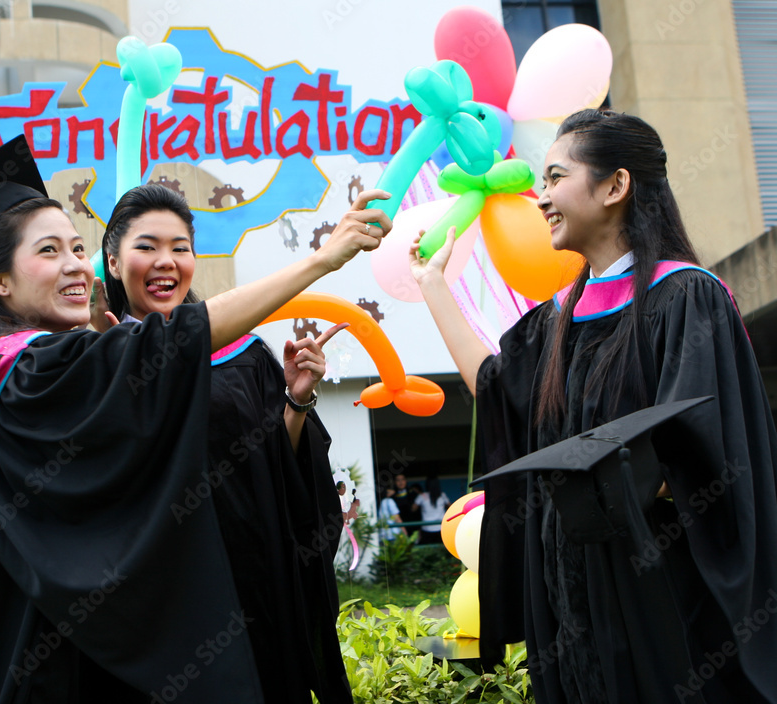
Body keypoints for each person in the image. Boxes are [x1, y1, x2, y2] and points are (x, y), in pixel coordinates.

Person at [0, 135, 391, 704]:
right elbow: (175, 342)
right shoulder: (29, 367)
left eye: (75, 248)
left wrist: (291, 405)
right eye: (48, 252)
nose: (74, 266)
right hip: (9, 646)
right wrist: (321, 259)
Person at [409, 109, 777, 702]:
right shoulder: (559, 319)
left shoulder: (687, 297)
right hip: (569, 595)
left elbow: (704, 446)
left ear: (615, 186)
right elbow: (496, 389)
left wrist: (615, 486)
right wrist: (433, 285)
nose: (540, 198)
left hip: (655, 590)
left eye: (555, 178)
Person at [94, 183, 384, 703]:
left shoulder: (243, 355)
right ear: (113, 262)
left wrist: (295, 401)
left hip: (247, 588)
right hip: (157, 596)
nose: (166, 261)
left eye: (180, 247)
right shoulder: (96, 357)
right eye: (146, 246)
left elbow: (277, 472)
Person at [412, 476, 449, 545]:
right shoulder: (442, 495)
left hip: (427, 528)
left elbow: (413, 509)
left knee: (427, 549)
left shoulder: (422, 496)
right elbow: (450, 507)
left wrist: (416, 493)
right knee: (441, 549)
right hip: (440, 527)